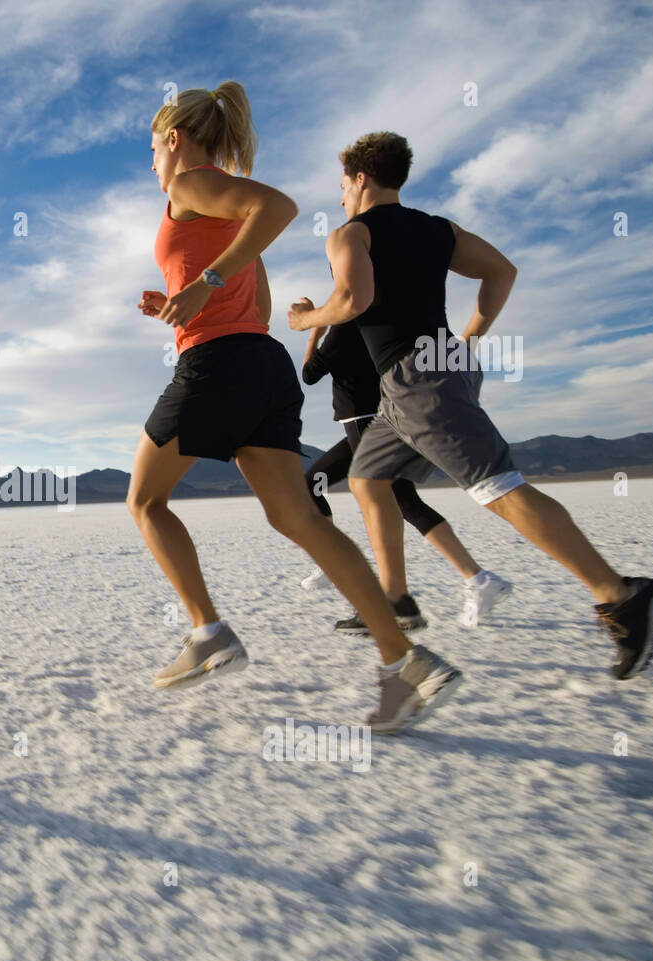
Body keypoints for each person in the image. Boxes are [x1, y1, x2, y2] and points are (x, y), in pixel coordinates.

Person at [130, 84, 461, 733]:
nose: (150, 163)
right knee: (299, 519)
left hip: (219, 365)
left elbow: (279, 206)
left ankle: (209, 632)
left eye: (150, 148)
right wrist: (185, 297)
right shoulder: (222, 211)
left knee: (144, 500)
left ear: (173, 139)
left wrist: (202, 286)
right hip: (259, 363)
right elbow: (252, 303)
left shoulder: (192, 183)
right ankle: (406, 661)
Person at [288, 131, 653, 680]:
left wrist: (306, 320)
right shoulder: (439, 230)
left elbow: (354, 300)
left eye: (342, 183)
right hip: (416, 379)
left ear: (361, 178)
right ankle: (396, 598)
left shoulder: (351, 234)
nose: (341, 194)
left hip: (418, 381)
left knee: (497, 487)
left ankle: (623, 595)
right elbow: (502, 271)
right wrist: (467, 338)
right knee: (370, 480)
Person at [299, 318, 513, 630]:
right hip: (380, 420)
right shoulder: (374, 326)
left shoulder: (347, 326)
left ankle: (469, 580)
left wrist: (314, 332)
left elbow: (309, 373)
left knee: (400, 501)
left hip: (367, 421)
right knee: (319, 486)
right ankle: (470, 580)